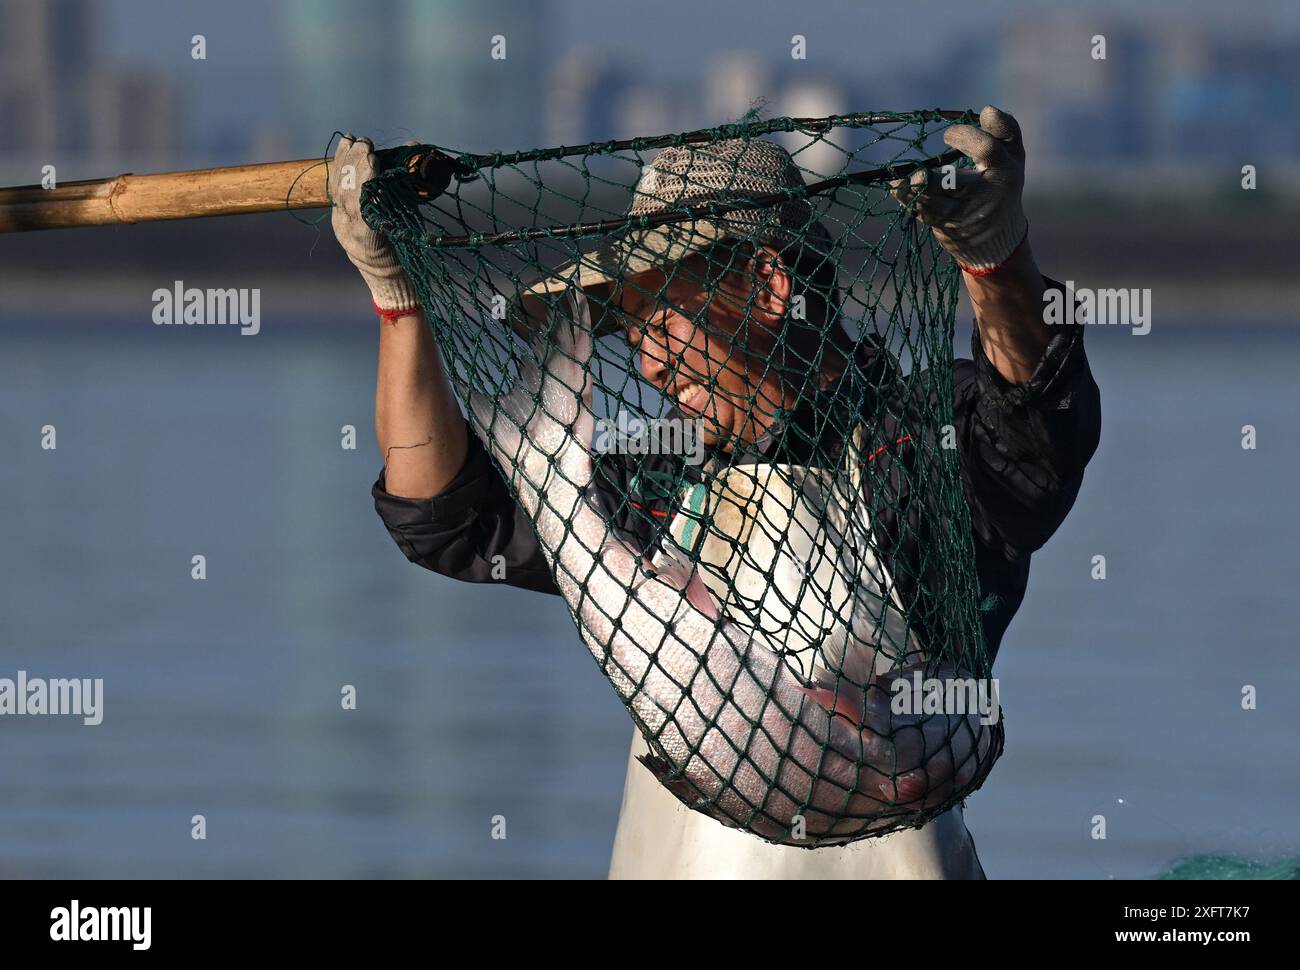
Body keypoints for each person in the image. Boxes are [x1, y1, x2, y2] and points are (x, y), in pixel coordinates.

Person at [330, 105, 1101, 879]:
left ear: (768, 286)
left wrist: (996, 261)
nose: (650, 366)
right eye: (629, 335)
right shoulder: (663, 485)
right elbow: (444, 514)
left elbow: (1034, 430)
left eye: (659, 319)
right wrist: (397, 302)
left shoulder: (921, 446)